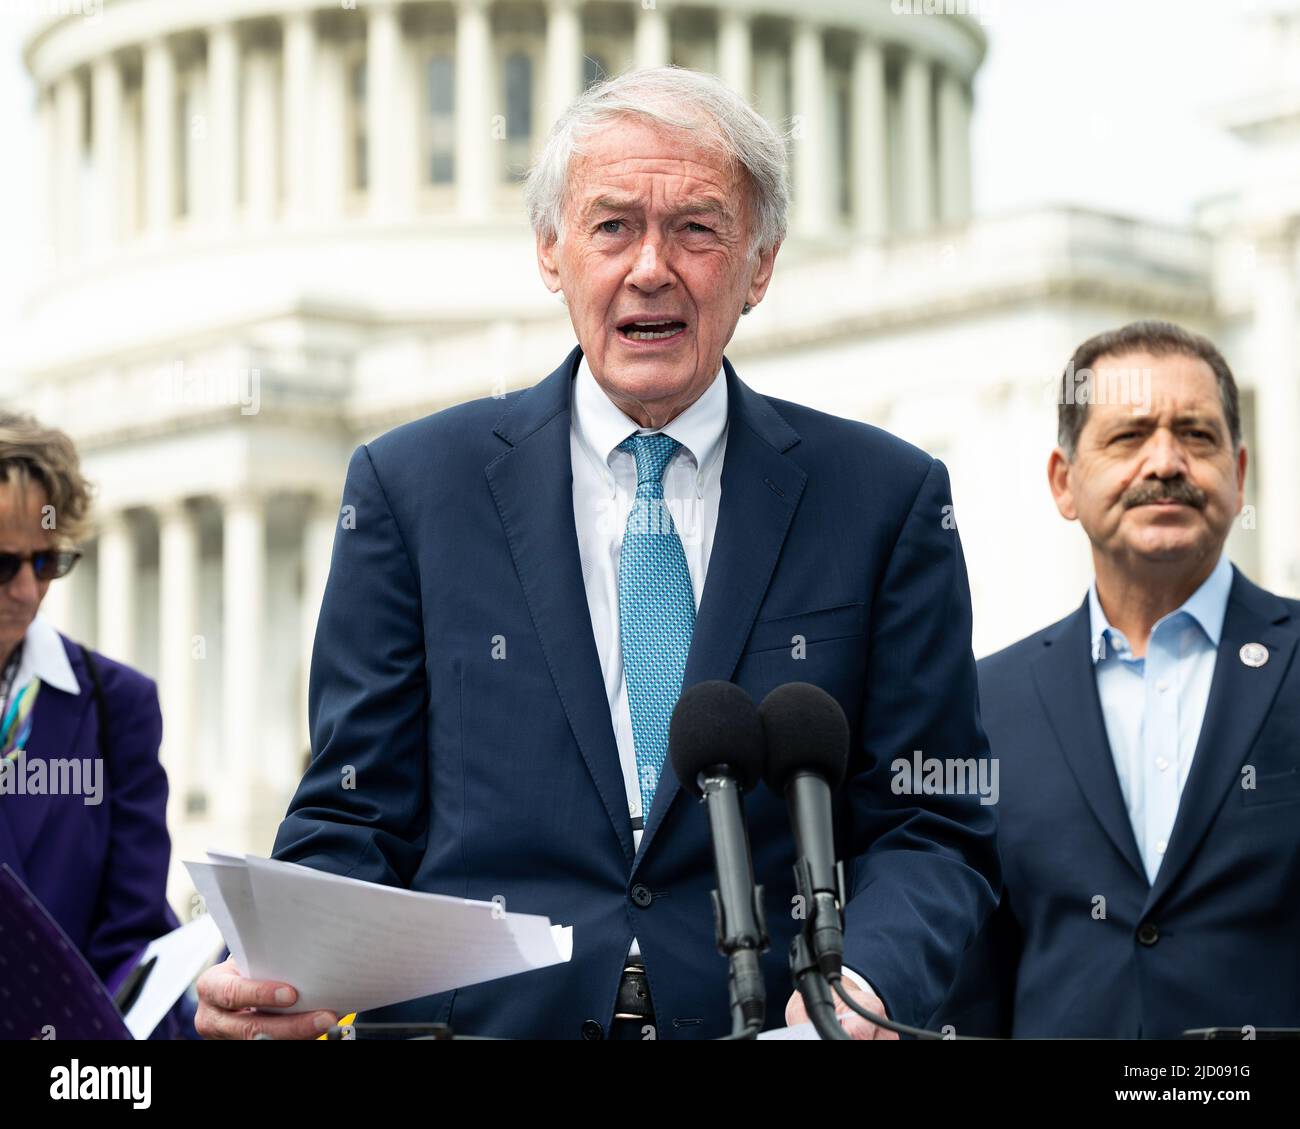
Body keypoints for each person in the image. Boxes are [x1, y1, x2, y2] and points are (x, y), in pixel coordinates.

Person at [197, 65, 998, 1041]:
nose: (651, 267)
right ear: (551, 251)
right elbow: (355, 812)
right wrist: (286, 968)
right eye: (612, 225)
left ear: (759, 263)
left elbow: (930, 825)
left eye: (697, 228)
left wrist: (862, 985)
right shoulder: (413, 490)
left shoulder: (883, 499)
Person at [941, 320, 1300, 1038]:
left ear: (1239, 472)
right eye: (1130, 436)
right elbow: (970, 981)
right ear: (1064, 482)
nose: (1165, 462)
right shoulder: (985, 705)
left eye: (1196, 436)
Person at [0, 411, 182, 1035]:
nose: (26, 589)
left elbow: (133, 932)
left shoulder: (118, 705)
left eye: (47, 562)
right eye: (3, 565)